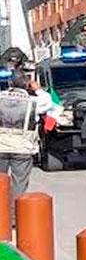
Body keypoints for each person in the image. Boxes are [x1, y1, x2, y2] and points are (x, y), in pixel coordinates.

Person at [0, 74, 46, 227]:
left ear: (9, 83)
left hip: (0, 146)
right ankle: (13, 219)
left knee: (1, 182)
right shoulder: (34, 102)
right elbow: (52, 105)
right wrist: (39, 90)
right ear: (28, 85)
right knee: (19, 184)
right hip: (23, 148)